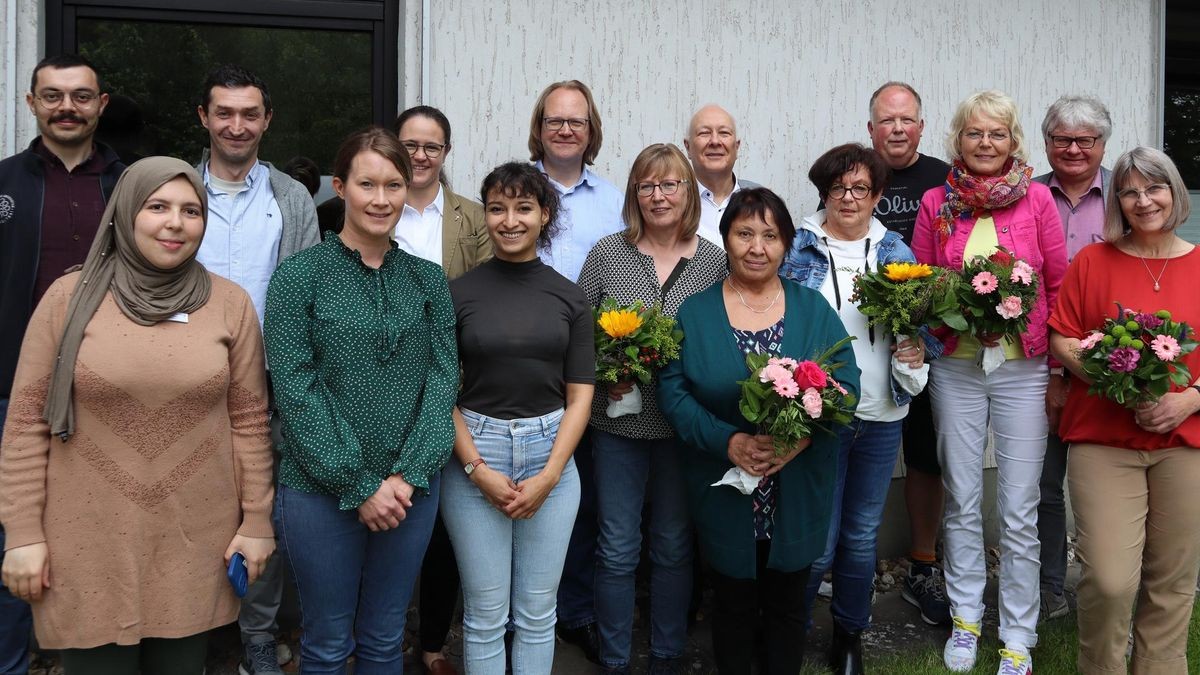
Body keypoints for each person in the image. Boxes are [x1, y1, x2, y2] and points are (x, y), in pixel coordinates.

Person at [0, 156, 275, 674]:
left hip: (194, 540)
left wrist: (257, 522)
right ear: (125, 213)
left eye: (191, 210)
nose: (175, 223)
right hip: (85, 541)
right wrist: (22, 535)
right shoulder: (67, 299)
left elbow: (250, 423)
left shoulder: (229, 305)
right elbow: (26, 425)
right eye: (157, 207)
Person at [263, 127, 457, 674]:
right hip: (320, 490)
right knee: (326, 642)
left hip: (409, 489)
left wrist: (406, 476)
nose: (380, 199)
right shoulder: (299, 276)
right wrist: (358, 484)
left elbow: (443, 382)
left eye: (393, 185)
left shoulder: (427, 279)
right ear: (340, 187)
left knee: (384, 636)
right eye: (366, 184)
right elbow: (296, 391)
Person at [658, 187, 859, 675]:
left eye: (770, 236)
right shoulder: (695, 312)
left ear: (786, 245)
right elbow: (674, 392)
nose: (757, 247)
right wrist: (729, 441)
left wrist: (797, 440)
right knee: (730, 604)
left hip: (797, 482)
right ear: (725, 238)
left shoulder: (812, 309)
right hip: (724, 483)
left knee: (789, 606)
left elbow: (846, 387)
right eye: (745, 233)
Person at [912, 90, 1067, 675]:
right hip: (956, 368)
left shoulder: (1037, 202)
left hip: (1023, 371)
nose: (985, 143)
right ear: (959, 139)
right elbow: (925, 284)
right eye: (974, 133)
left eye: (996, 134)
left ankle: (1018, 638)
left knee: (1021, 506)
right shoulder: (937, 202)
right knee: (963, 497)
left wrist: (1056, 369)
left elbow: (1056, 283)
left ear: (1013, 141)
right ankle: (967, 621)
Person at [781, 143, 935, 673]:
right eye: (837, 188)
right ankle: (790, 630)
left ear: (878, 196)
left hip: (880, 415)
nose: (848, 198)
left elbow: (921, 331)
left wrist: (916, 347)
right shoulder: (798, 247)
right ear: (824, 192)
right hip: (818, 417)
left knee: (862, 534)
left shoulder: (896, 252)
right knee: (817, 540)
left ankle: (849, 635)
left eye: (860, 189)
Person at [1048, 146, 1200, 675]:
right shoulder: (1092, 261)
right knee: (1111, 580)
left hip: (1186, 442)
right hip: (1103, 440)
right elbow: (1063, 338)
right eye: (1130, 191)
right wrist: (1113, 381)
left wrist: (1189, 398)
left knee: (1172, 580)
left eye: (1154, 188)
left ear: (1175, 192)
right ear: (1117, 201)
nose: (1143, 200)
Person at [577, 143, 727, 675]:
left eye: (671, 185)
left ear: (689, 193)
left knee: (672, 544)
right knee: (617, 546)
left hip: (684, 428)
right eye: (647, 185)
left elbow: (723, 341)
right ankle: (615, 658)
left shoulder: (713, 261)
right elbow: (580, 336)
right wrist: (605, 376)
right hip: (618, 427)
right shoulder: (607, 254)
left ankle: (667, 654)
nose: (659, 196)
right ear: (634, 193)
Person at [441, 162, 594, 674]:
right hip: (474, 454)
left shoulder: (570, 297)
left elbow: (581, 395)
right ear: (485, 215)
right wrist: (476, 470)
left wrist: (550, 475)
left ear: (544, 215)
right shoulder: (457, 294)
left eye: (524, 208)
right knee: (484, 615)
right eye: (498, 208)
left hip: (551, 454)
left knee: (536, 614)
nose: (510, 220)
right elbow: (442, 394)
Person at [0, 52, 125, 674]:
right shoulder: (3, 184)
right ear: (31, 104)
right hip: (10, 386)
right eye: (53, 96)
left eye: (80, 96)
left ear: (101, 105)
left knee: (99, 525)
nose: (67, 107)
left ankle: (87, 650)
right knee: (12, 530)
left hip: (110, 390)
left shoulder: (130, 186)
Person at [194, 63, 321, 675]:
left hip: (263, 388)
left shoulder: (291, 198)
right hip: (182, 387)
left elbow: (303, 298)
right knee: (182, 509)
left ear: (266, 121)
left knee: (259, 514)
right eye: (225, 112)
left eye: (250, 114)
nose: (236, 125)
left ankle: (257, 640)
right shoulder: (175, 188)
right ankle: (183, 636)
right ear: (204, 118)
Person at [393, 104, 492, 675]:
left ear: (446, 153)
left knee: (439, 528)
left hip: (449, 385)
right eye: (410, 144)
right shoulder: (372, 205)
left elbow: (483, 295)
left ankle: (430, 641)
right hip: (379, 382)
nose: (420, 156)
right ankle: (375, 634)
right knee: (380, 511)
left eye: (432, 146)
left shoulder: (472, 217)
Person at [528, 80, 624, 661]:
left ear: (591, 132)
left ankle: (576, 610)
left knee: (583, 497)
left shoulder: (614, 200)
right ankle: (521, 612)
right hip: (520, 371)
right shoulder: (515, 188)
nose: (566, 129)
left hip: (591, 372)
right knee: (520, 490)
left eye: (577, 122)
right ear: (539, 127)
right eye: (555, 120)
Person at [866, 81, 953, 626]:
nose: (897, 129)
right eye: (886, 120)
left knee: (925, 454)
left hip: (928, 343)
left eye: (906, 119)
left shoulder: (946, 180)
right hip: (863, 339)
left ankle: (923, 564)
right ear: (870, 128)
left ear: (921, 125)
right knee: (856, 446)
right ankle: (846, 561)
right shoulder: (853, 175)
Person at [1032, 95, 1112, 624]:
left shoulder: (1127, 197)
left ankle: (1111, 587)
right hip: (1040, 362)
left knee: (1109, 486)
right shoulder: (1029, 196)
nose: (1075, 149)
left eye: (1086, 139)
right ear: (1047, 143)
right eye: (1064, 139)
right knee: (1043, 486)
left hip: (1117, 369)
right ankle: (1050, 592)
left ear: (1103, 144)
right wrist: (1057, 374)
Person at [682, 104, 759, 249]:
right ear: (688, 147)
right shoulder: (671, 202)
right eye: (704, 133)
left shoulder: (761, 199)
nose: (715, 142)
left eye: (724, 133)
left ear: (736, 147)